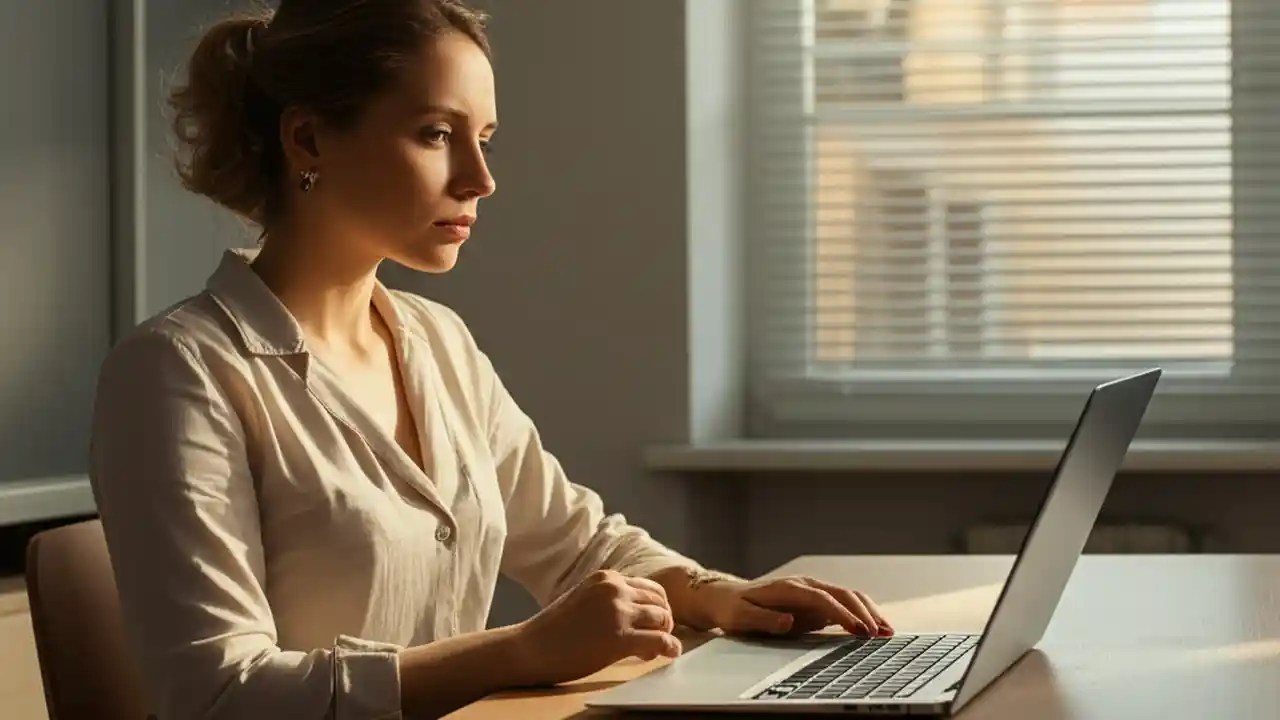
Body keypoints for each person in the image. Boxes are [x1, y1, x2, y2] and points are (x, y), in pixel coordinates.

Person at [88, 2, 894, 718]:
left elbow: (577, 547)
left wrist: (725, 595)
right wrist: (521, 652)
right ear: (307, 138)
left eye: (485, 138)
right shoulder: (178, 372)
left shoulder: (437, 341)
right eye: (437, 134)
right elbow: (218, 695)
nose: (480, 178)